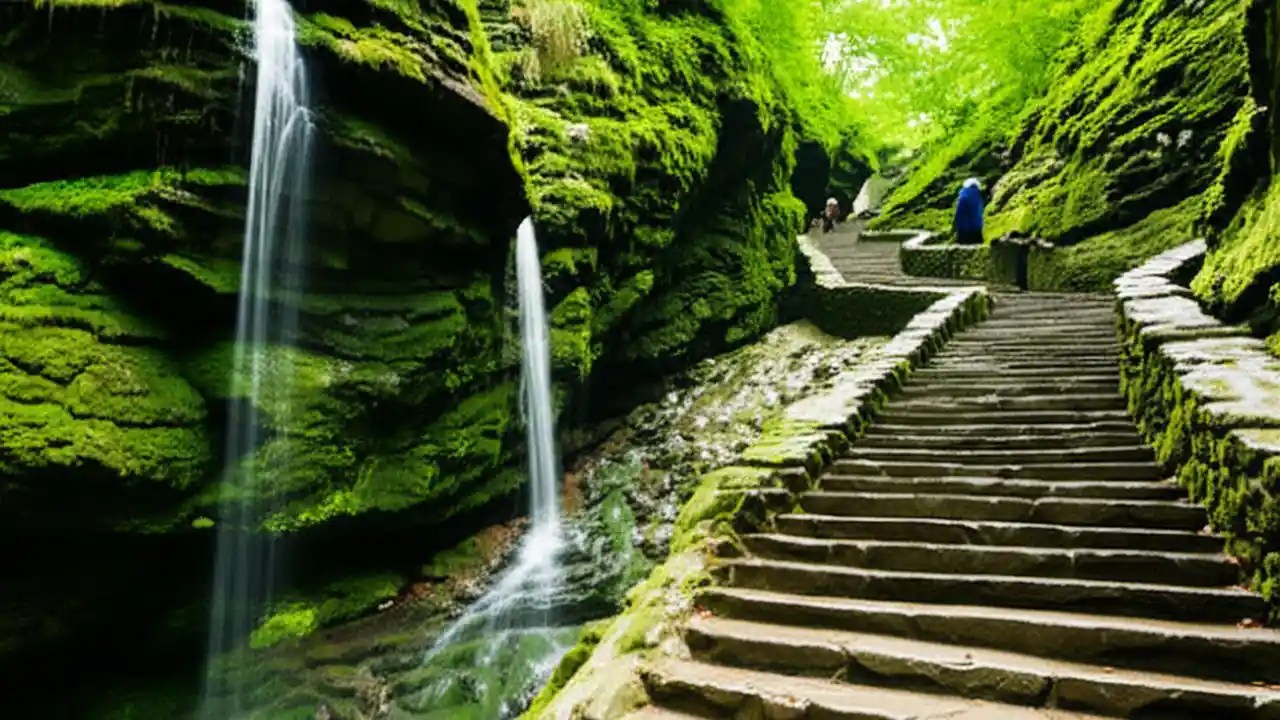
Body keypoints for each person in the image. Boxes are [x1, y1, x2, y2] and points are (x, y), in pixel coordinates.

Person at [954, 178, 985, 245]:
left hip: (964, 230)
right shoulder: (978, 196)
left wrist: (956, 226)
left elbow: (959, 213)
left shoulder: (963, 195)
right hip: (977, 230)